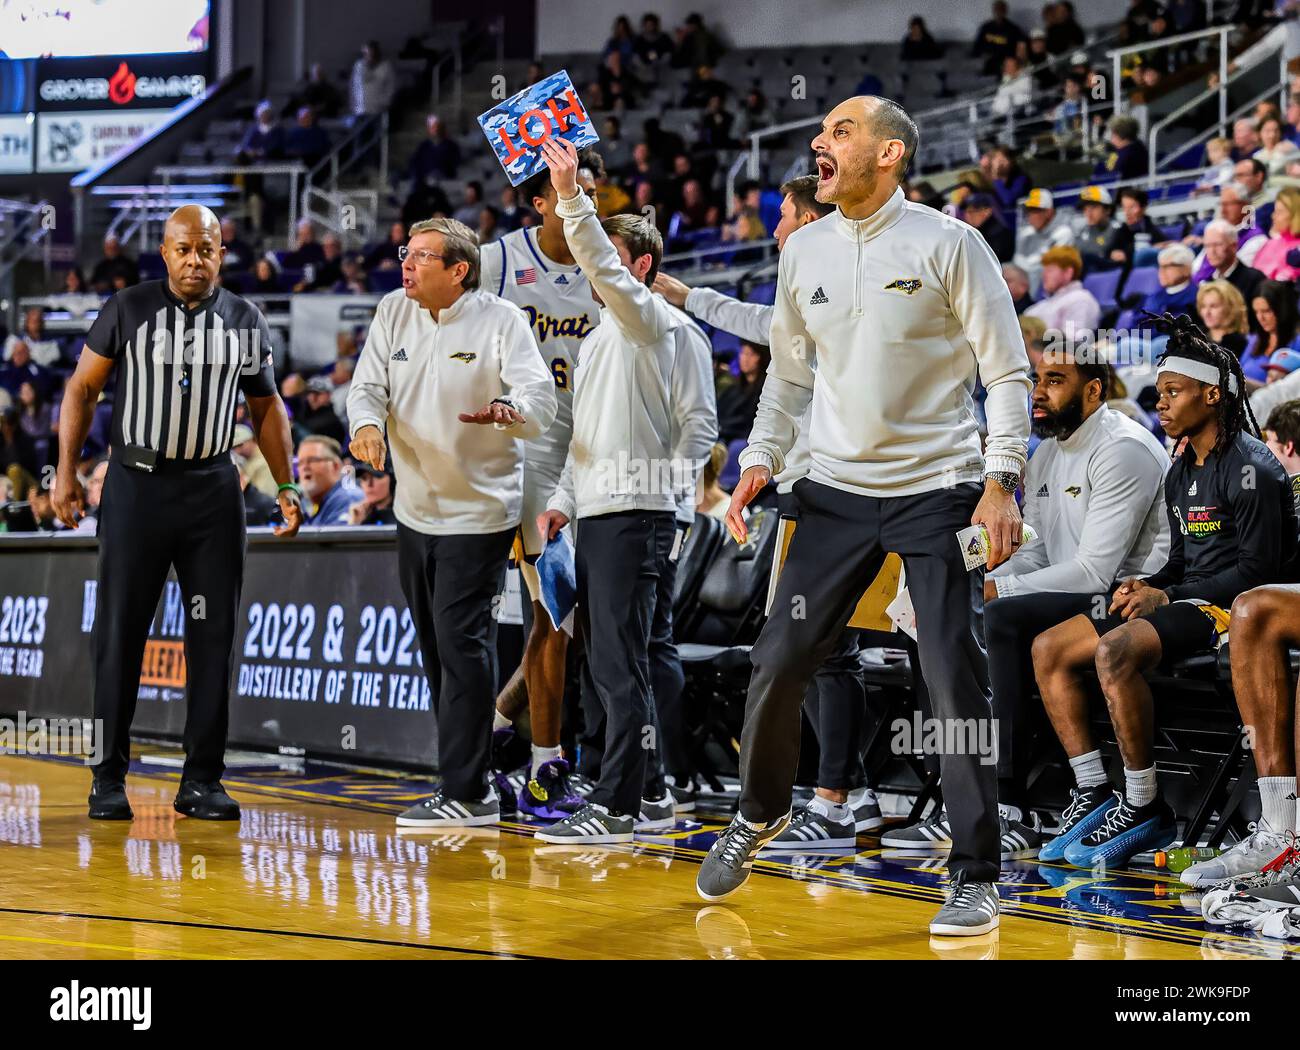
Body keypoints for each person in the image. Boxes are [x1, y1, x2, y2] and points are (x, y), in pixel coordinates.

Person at [692, 96, 1031, 939]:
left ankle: (977, 874)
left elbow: (1010, 370)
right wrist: (761, 456)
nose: (819, 141)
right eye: (822, 131)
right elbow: (788, 376)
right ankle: (762, 810)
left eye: (840, 132)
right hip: (835, 494)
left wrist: (1002, 479)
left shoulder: (950, 243)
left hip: (940, 487)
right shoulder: (802, 248)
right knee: (777, 660)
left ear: (890, 154)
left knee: (954, 675)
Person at [50, 205, 302, 822]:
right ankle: (108, 778)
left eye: (207, 249)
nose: (195, 259)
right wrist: (65, 472)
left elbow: (268, 409)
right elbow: (81, 388)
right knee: (119, 634)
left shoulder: (245, 319)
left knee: (212, 637)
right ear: (164, 253)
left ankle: (202, 781)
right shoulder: (128, 308)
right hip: (137, 487)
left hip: (214, 491)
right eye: (184, 249)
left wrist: (288, 485)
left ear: (222, 253)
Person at [654, 172, 883, 846]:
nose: (776, 227)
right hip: (811, 487)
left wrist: (690, 297)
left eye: (784, 215)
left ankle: (838, 799)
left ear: (811, 222)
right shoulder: (812, 287)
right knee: (813, 653)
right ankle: (854, 795)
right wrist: (691, 295)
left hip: (839, 489)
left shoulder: (843, 284)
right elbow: (771, 331)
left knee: (823, 653)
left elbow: (775, 337)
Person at [1032, 316, 1298, 868]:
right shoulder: (1180, 471)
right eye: (1160, 394)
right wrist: (1149, 585)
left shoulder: (1255, 468)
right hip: (1187, 601)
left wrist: (1169, 597)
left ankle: (1143, 804)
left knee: (1115, 650)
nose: (1163, 405)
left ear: (1213, 394)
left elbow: (1259, 574)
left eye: (1174, 393)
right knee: (1050, 648)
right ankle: (1092, 791)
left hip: (1229, 611)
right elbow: (1179, 561)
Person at [347, 216, 557, 828]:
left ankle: (468, 793)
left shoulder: (501, 320)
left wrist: (509, 408)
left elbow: (539, 398)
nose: (405, 265)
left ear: (458, 270)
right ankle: (470, 778)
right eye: (405, 254)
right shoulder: (393, 310)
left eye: (420, 258)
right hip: (415, 511)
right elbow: (367, 386)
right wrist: (364, 425)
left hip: (481, 510)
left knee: (463, 646)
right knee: (438, 648)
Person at [529, 136, 708, 845]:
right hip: (602, 512)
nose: (586, 268)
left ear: (638, 268)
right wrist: (563, 502)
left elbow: (700, 429)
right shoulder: (606, 336)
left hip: (639, 513)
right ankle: (649, 792)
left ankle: (619, 806)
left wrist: (572, 197)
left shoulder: (650, 322)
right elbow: (583, 436)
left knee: (621, 663)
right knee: (614, 663)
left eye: (603, 259)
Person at [983, 347, 1170, 838]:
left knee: (1001, 618)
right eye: (1036, 380)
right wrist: (986, 579)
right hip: (1076, 593)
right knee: (954, 608)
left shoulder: (1122, 449)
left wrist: (1000, 588)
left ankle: (1008, 802)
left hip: (1127, 598)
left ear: (1093, 389)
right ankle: (961, 783)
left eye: (1055, 380)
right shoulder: (1044, 452)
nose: (1038, 392)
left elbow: (1092, 572)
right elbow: (1040, 550)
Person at [479, 153, 604, 821]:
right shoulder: (499, 261)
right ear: (539, 201)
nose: (582, 204)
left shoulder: (605, 264)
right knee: (553, 618)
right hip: (523, 461)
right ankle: (544, 768)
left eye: (588, 193)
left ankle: (494, 733)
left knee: (567, 620)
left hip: (589, 464)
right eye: (568, 192)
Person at [1024, 245, 1101, 333]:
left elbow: (1072, 342)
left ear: (1068, 272)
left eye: (1050, 270)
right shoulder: (1040, 306)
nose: (1044, 275)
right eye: (1044, 270)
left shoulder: (1080, 300)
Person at [1013, 189, 1077, 293]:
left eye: (1035, 211)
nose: (1030, 216)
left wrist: (1026, 266)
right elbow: (1016, 262)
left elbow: (1051, 266)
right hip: (1022, 284)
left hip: (1047, 288)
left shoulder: (1064, 232)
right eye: (1028, 211)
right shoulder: (1025, 234)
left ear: (1048, 212)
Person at [1194, 219, 1265, 305]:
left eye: (1217, 244)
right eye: (1207, 246)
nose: (1212, 251)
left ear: (1234, 246)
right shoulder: (1207, 282)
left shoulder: (1254, 279)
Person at [1245, 280, 1300, 388]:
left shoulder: (1297, 342)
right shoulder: (1254, 340)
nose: (1260, 318)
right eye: (1256, 312)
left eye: (1266, 311)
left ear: (1282, 310)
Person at [716, 340, 769, 443]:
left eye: (751, 354)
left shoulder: (764, 390)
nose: (745, 359)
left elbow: (747, 422)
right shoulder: (734, 388)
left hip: (742, 439)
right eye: (743, 353)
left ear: (761, 357)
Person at [1251, 185, 1300, 281]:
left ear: (1295, 215)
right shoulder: (1270, 243)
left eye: (1279, 212)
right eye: (1274, 211)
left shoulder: (1297, 252)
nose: (1273, 216)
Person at [1196, 279, 1251, 361]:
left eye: (1213, 306)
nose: (1207, 312)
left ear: (1231, 307)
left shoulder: (1243, 343)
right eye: (1203, 306)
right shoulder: (1195, 338)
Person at [973, 0, 1027, 76]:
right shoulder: (986, 28)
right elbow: (976, 49)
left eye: (1001, 9)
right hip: (989, 63)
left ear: (1005, 11)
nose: (999, 12)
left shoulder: (1013, 29)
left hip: (1007, 65)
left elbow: (1021, 48)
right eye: (997, 9)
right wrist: (982, 55)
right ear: (993, 11)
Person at [1094, 115, 1150, 181]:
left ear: (1118, 135)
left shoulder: (1125, 156)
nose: (1111, 138)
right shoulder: (1138, 146)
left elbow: (1110, 175)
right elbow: (1107, 167)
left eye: (1112, 134)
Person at [962, 193, 1015, 262]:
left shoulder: (999, 233)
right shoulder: (973, 231)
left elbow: (989, 262)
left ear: (987, 211)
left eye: (971, 211)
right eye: (965, 211)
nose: (968, 215)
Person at [1076, 185, 1119, 271]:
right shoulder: (1082, 231)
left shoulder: (1118, 230)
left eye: (1093, 207)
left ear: (1107, 209)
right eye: (1085, 209)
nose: (1088, 213)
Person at [349, 40, 395, 118]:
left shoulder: (386, 67)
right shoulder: (359, 66)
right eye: (365, 54)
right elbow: (353, 87)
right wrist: (353, 106)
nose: (368, 56)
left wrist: (384, 103)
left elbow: (391, 88)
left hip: (378, 110)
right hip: (360, 110)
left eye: (370, 54)